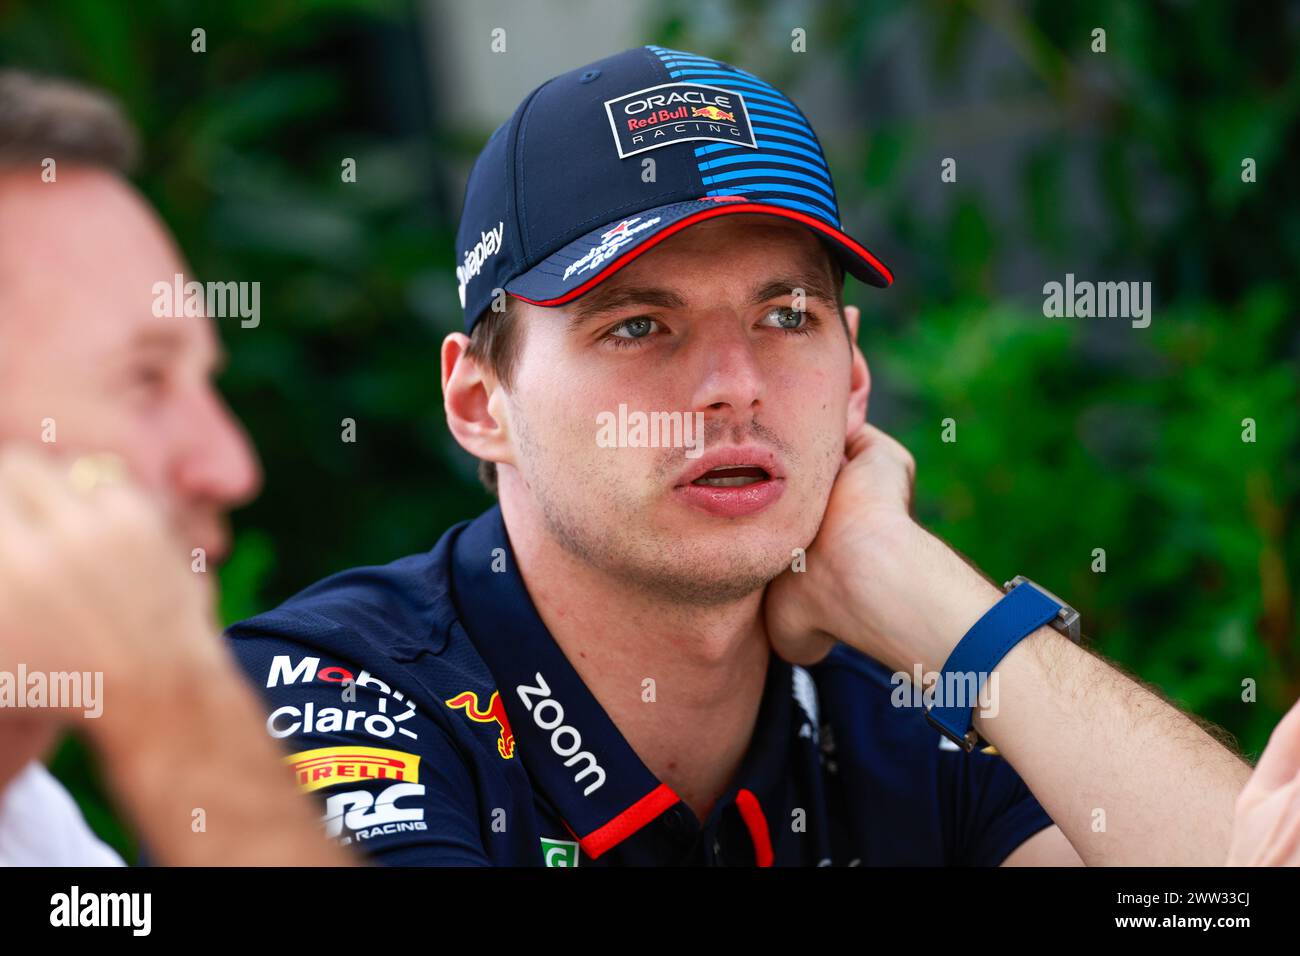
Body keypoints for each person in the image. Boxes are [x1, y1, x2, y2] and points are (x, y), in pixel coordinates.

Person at [225, 45, 1254, 866]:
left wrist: (933, 604)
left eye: (784, 313)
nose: (734, 383)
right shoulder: (331, 693)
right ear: (477, 401)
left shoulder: (908, 703)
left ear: (854, 374)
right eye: (636, 325)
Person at [0, 70, 351, 865]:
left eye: (205, 383)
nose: (231, 468)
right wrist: (176, 717)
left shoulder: (27, 824)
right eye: (145, 380)